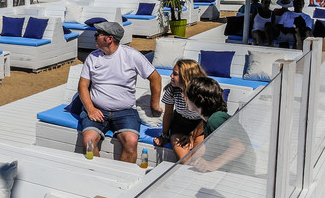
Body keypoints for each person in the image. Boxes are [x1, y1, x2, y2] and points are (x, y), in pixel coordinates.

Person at [78, 21, 162, 163]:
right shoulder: (93, 57)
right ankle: (95, 176)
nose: (94, 36)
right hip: (97, 110)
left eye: (98, 34)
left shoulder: (131, 55)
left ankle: (121, 180)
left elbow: (155, 77)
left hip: (125, 111)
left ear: (109, 39)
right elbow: (82, 86)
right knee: (88, 142)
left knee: (131, 141)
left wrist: (154, 105)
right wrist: (90, 109)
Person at [179, 75, 254, 174]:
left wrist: (213, 164)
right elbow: (208, 146)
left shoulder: (216, 119)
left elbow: (238, 147)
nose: (185, 98)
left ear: (198, 100)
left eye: (187, 96)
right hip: (231, 168)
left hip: (240, 171)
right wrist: (191, 162)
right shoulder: (208, 119)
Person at [154, 58, 206, 161]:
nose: (171, 76)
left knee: (196, 159)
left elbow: (207, 118)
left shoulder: (202, 92)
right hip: (180, 124)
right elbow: (168, 114)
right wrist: (164, 135)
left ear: (186, 76)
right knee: (184, 159)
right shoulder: (172, 90)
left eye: (175, 74)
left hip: (200, 125)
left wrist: (192, 136)